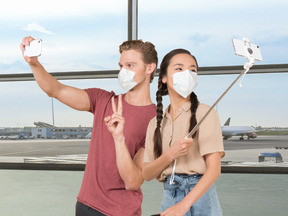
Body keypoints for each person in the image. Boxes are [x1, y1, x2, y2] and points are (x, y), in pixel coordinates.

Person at [20, 37, 158, 216]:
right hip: (86, 205)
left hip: (119, 211)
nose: (124, 72)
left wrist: (119, 138)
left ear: (149, 68)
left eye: (130, 66)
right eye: (121, 66)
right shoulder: (103, 100)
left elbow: (133, 182)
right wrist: (34, 63)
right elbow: (55, 89)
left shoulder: (156, 120)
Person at [142, 49, 225, 216]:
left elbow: (214, 169)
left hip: (201, 197)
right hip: (169, 193)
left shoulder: (205, 113)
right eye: (179, 69)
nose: (187, 74)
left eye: (192, 70)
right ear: (164, 78)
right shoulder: (155, 124)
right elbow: (147, 173)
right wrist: (170, 154)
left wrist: (184, 205)